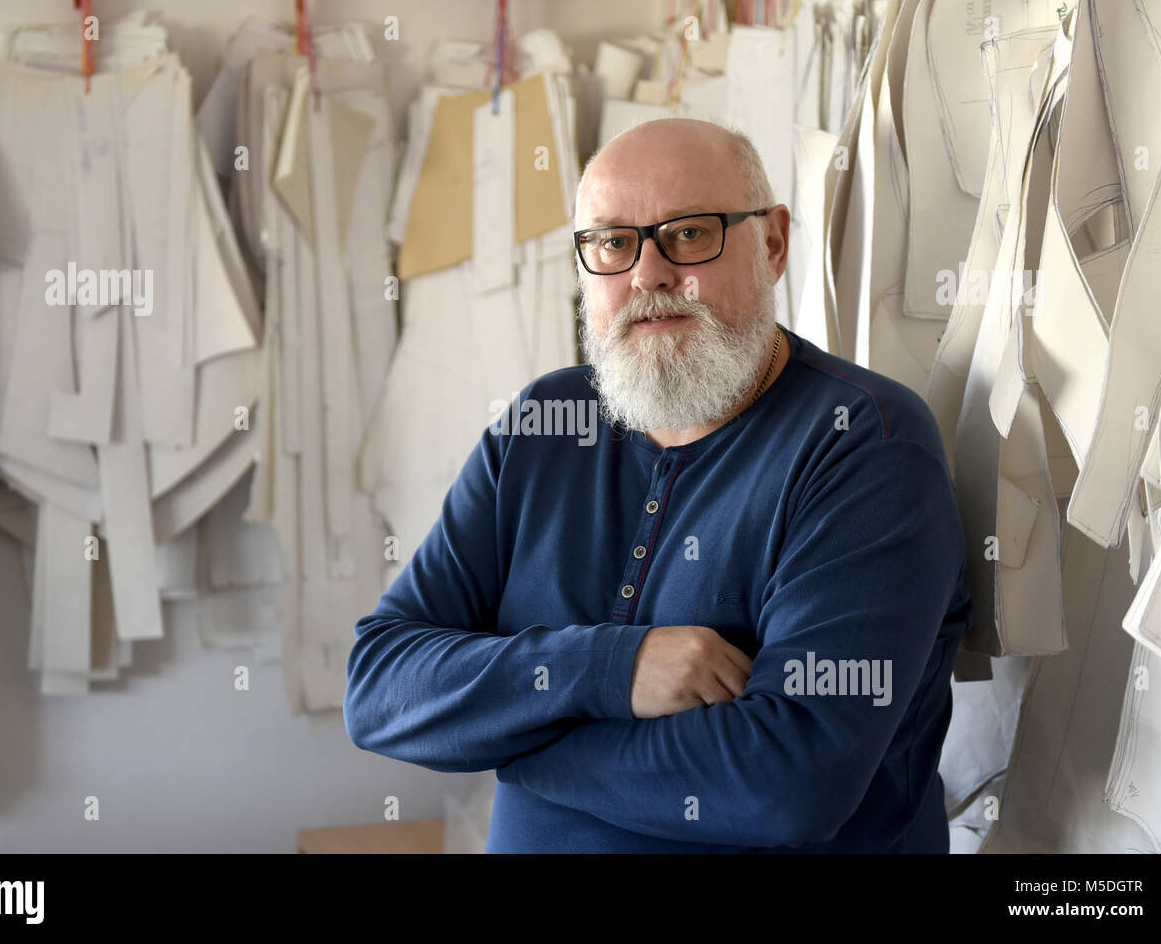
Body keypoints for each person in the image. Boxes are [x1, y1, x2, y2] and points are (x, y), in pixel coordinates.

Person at [343, 118, 972, 853]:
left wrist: (507, 738)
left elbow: (782, 783)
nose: (648, 275)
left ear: (772, 243)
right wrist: (613, 668)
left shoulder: (863, 443)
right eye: (613, 242)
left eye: (689, 233)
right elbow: (381, 685)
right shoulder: (544, 424)